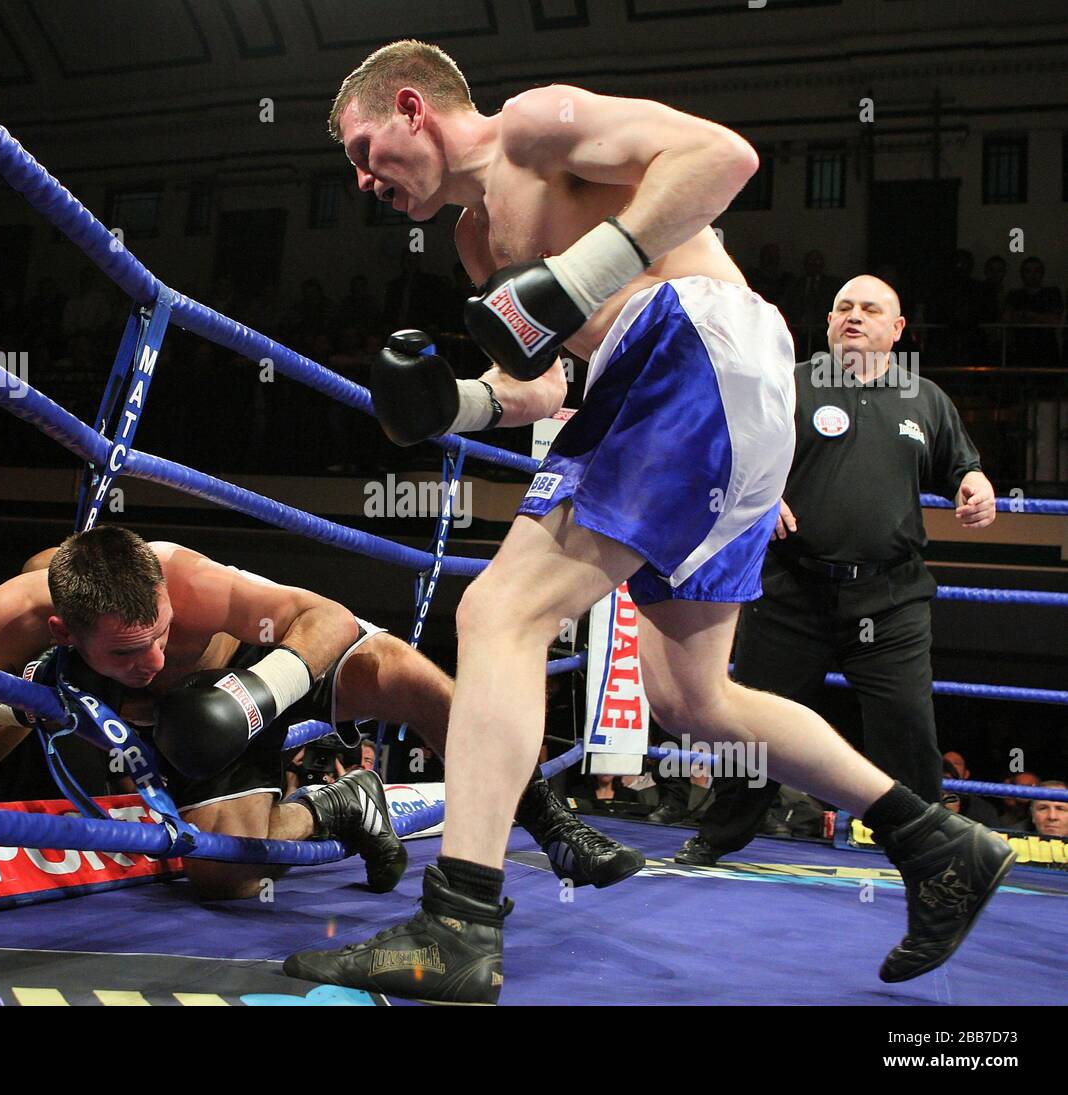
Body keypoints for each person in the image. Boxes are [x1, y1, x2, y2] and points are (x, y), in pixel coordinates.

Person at [284, 40, 1015, 1002]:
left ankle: (456, 923)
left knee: (497, 615)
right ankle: (939, 843)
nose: (363, 178)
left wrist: (592, 269)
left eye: (364, 147)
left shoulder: (537, 127)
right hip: (704, 387)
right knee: (691, 697)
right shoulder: (475, 241)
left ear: (413, 106)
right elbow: (538, 383)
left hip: (691, 346)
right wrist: (451, 406)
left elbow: (723, 158)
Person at [0, 526, 640, 900]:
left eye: (159, 633)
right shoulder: (13, 617)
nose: (150, 658)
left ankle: (552, 821)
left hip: (252, 670)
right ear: (64, 633)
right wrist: (39, 703)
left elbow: (324, 616)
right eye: (125, 652)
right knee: (225, 881)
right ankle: (341, 803)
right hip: (184, 731)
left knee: (407, 676)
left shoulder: (192, 581)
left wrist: (248, 698)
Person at [669, 274, 996, 868]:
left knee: (908, 728)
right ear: (827, 323)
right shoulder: (789, 387)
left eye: (870, 310)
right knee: (754, 720)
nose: (854, 316)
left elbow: (961, 468)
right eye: (843, 307)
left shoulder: (926, 399)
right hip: (793, 589)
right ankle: (719, 836)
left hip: (891, 597)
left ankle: (930, 852)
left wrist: (975, 484)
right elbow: (728, 453)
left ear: (896, 330)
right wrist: (760, 500)